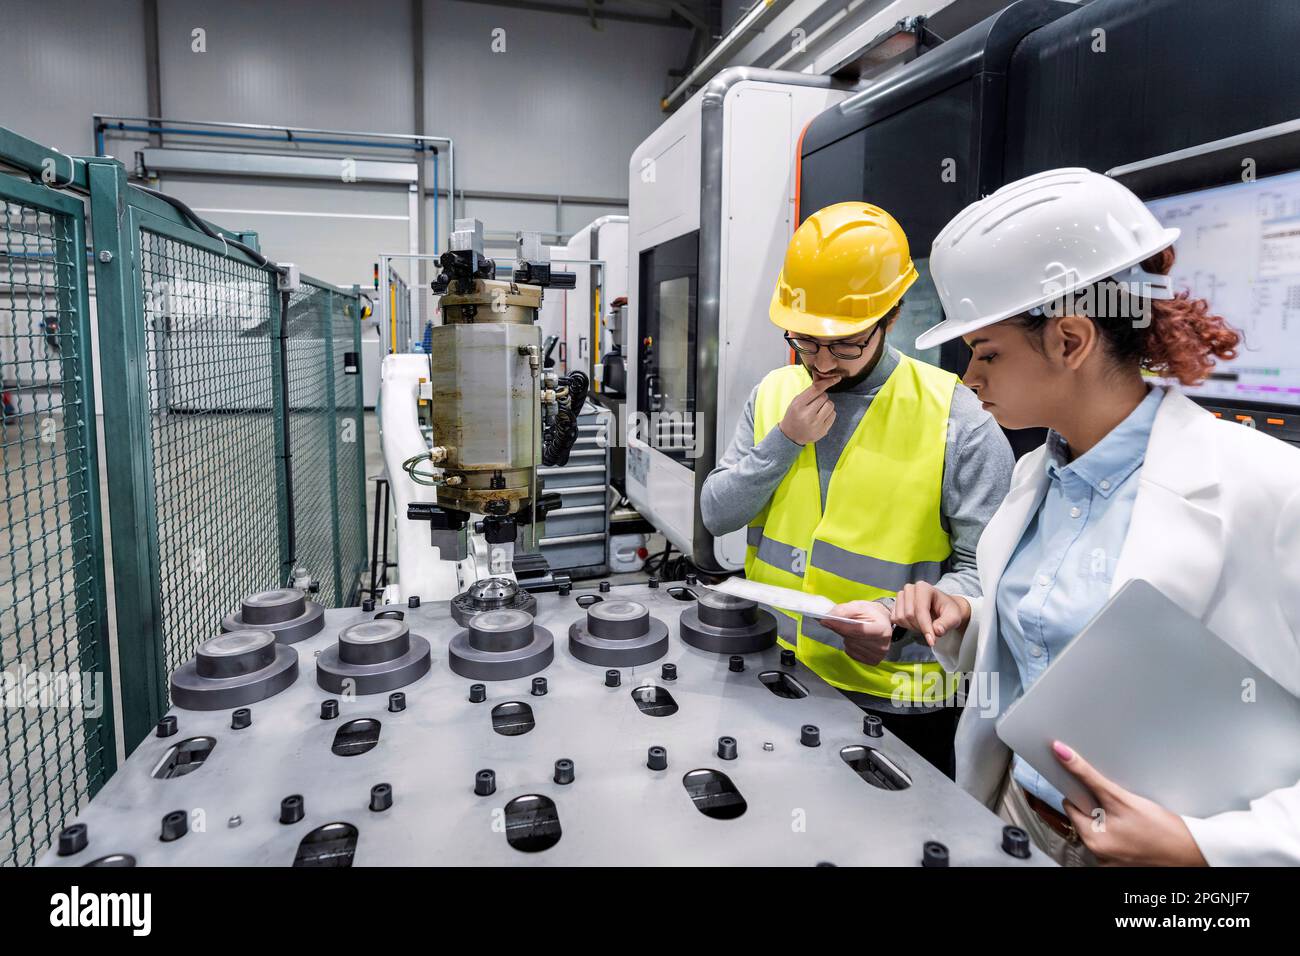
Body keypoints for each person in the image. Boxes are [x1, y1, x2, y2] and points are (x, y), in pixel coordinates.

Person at [825, 167, 1300, 866]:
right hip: (1017, 816)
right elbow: (1061, 657)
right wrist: (963, 623)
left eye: (986, 353)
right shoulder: (1036, 476)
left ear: (1070, 341)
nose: (970, 379)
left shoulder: (1266, 489)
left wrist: (1206, 849)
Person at [700, 202, 1013, 777]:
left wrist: (892, 617)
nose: (821, 360)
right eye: (805, 340)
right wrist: (783, 443)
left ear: (890, 319)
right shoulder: (775, 393)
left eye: (844, 343)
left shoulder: (957, 419)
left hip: (897, 703)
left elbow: (985, 576)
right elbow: (717, 514)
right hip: (773, 669)